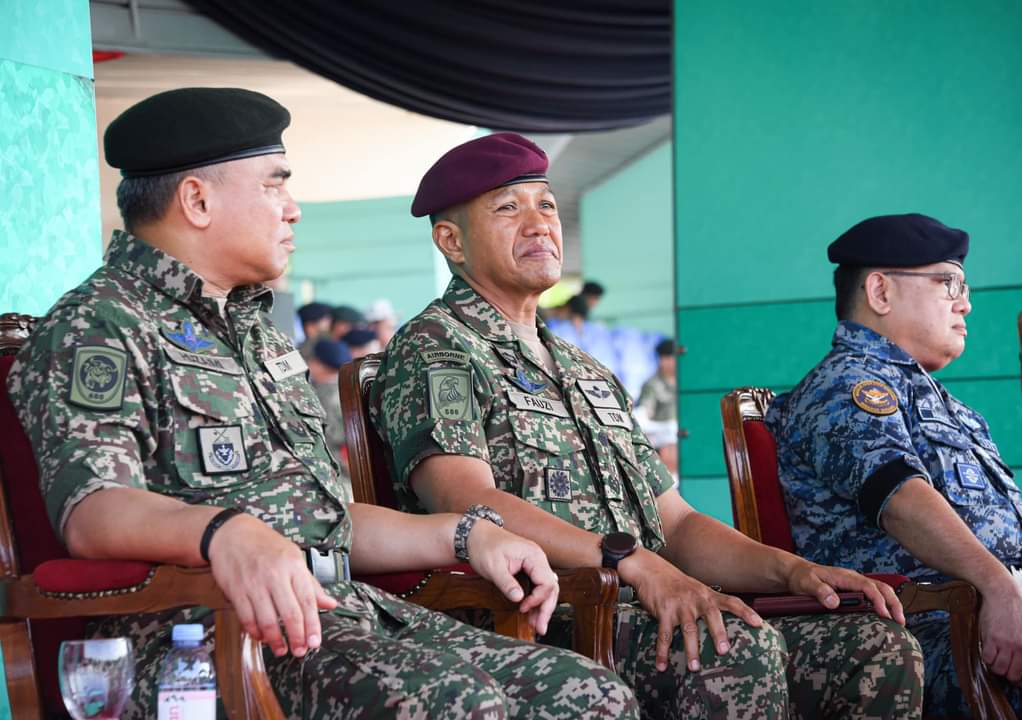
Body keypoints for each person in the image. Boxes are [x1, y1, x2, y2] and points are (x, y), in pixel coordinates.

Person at [6, 88, 637, 720]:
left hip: (340, 613)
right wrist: (226, 534)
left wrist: (464, 533)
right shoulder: (100, 325)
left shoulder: (255, 333)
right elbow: (93, 511)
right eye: (274, 187)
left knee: (589, 695)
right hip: (199, 639)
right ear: (197, 201)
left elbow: (327, 523)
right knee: (458, 704)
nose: (293, 210)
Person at [370, 132, 925, 720]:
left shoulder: (585, 368)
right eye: (509, 208)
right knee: (736, 650)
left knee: (875, 646)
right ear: (451, 241)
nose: (539, 225)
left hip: (649, 603)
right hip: (544, 622)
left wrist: (793, 569)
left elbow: (677, 523)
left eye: (547, 205)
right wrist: (627, 561)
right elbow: (467, 499)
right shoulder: (438, 346)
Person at [765, 213, 1022, 719]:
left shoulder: (946, 405)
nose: (966, 302)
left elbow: (992, 530)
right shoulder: (844, 386)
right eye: (948, 282)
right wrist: (999, 585)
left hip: (996, 620)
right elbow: (900, 500)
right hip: (914, 635)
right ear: (881, 292)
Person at [635, 338, 678, 474]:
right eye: (670, 357)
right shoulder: (652, 385)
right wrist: (669, 428)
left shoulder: (686, 383)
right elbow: (642, 420)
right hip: (663, 446)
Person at [308, 338, 350, 452]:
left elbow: (333, 437)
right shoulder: (348, 387)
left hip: (336, 459)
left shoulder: (323, 395)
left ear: (319, 364)